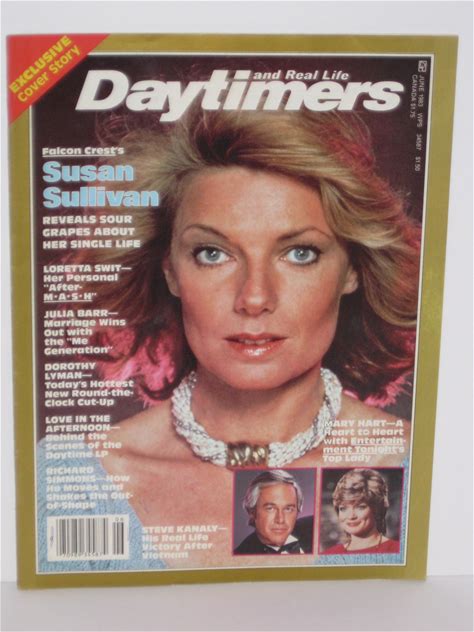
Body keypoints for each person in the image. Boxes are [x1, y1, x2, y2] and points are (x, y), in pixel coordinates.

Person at [40, 107, 419, 568]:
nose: (254, 298)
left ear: (352, 271)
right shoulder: (68, 479)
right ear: (170, 271)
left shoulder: (423, 465)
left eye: (300, 253)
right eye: (212, 253)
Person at [234, 470, 313, 554]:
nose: (280, 520)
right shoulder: (240, 555)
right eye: (270, 508)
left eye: (288, 509)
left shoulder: (313, 526)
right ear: (252, 512)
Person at [321, 469, 400, 554]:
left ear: (377, 509)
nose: (351, 516)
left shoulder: (396, 550)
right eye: (343, 508)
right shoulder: (329, 554)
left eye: (360, 507)